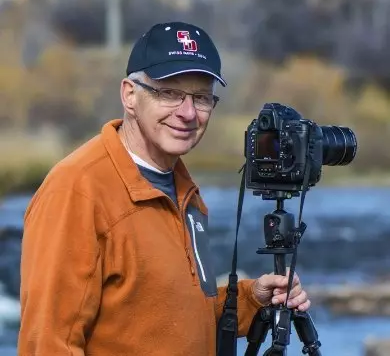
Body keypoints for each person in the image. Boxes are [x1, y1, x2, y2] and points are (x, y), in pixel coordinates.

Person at [18, 21, 310, 356]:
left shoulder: (186, 193)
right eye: (168, 93)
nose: (187, 113)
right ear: (130, 94)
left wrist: (248, 300)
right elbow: (47, 343)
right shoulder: (76, 190)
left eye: (201, 97)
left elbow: (170, 322)